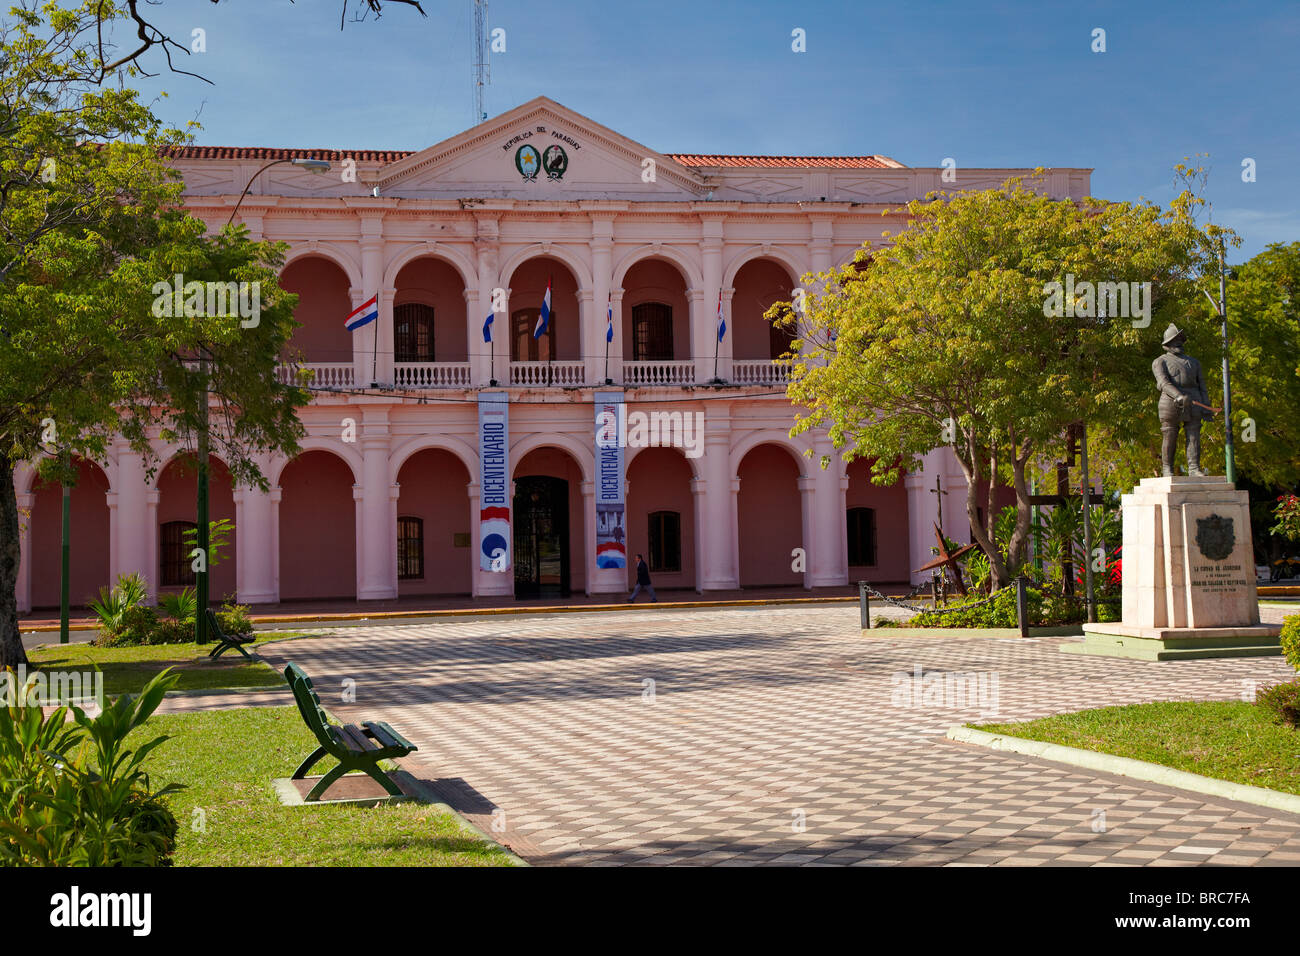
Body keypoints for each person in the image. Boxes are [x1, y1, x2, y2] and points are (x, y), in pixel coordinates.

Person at [1152, 324, 1213, 477]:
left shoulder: (1194, 362)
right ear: (1168, 343)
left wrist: (1206, 406)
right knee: (1170, 434)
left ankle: (1194, 468)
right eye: (1175, 339)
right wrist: (1178, 395)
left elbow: (1202, 386)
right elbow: (1163, 383)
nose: (1179, 342)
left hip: (1194, 399)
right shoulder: (1160, 361)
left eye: (1180, 339)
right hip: (1170, 401)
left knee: (1193, 434)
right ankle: (1167, 469)